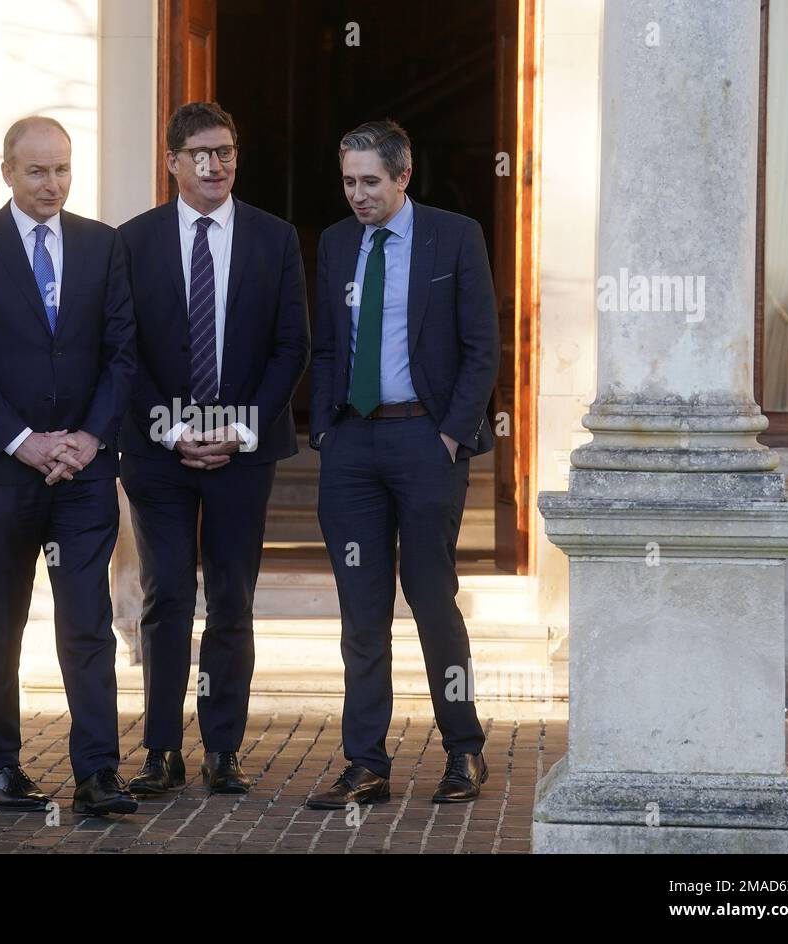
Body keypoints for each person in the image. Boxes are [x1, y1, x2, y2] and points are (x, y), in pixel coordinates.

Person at [0, 116, 138, 816]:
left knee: (87, 620)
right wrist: (24, 441)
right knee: (1, 620)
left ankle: (98, 773)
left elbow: (123, 353)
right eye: (36, 171)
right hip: (0, 470)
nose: (52, 184)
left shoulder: (102, 245)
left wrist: (86, 439)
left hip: (84, 471)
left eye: (62, 169)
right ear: (7, 172)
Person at [117, 102, 310, 796]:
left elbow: (293, 344)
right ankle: (160, 749)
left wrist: (241, 426)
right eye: (199, 152)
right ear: (172, 161)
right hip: (156, 447)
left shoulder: (274, 237)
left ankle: (223, 748)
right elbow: (123, 350)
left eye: (225, 151)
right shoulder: (131, 242)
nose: (215, 164)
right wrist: (171, 428)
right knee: (167, 593)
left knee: (231, 597)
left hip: (243, 448)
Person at [306, 120, 498, 809]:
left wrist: (452, 435)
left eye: (370, 182)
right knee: (361, 614)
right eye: (349, 182)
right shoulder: (334, 243)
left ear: (402, 176)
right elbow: (325, 344)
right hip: (354, 446)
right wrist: (326, 427)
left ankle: (464, 751)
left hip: (425, 442)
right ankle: (367, 766)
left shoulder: (454, 236)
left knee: (431, 601)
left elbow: (482, 346)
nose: (358, 196)